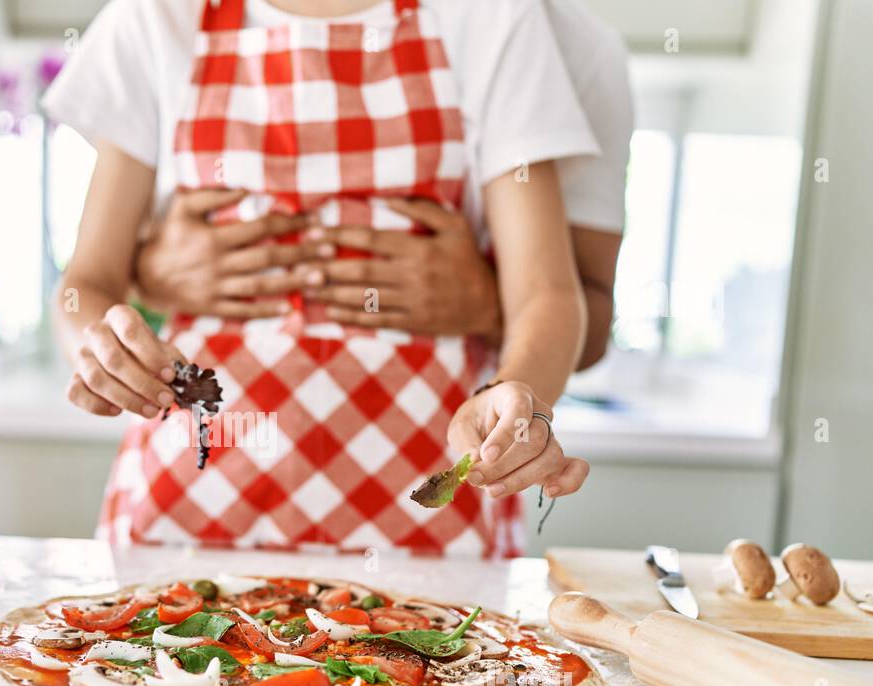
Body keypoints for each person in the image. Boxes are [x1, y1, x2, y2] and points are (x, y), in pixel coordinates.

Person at [43, 0, 613, 555]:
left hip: (430, 533)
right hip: (181, 518)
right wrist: (98, 349)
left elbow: (549, 295)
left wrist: (512, 394)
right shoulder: (157, 17)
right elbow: (86, 284)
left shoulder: (493, 17)